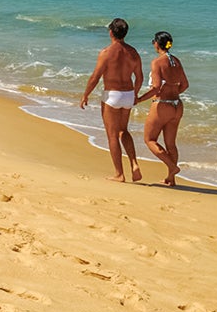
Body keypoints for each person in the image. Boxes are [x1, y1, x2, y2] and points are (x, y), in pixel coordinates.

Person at [79, 17, 143, 182]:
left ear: (110, 32)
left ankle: (119, 174)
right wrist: (135, 94)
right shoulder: (133, 52)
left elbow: (95, 77)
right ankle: (134, 163)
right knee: (124, 130)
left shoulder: (106, 53)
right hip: (128, 94)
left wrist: (85, 94)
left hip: (112, 96)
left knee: (112, 135)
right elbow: (140, 77)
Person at [135, 30, 189, 187]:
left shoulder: (157, 62)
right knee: (171, 144)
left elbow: (156, 87)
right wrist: (173, 93)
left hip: (162, 105)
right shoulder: (176, 61)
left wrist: (139, 99)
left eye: (153, 41)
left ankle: (172, 167)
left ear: (157, 44)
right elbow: (185, 85)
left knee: (149, 139)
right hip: (177, 105)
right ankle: (170, 179)